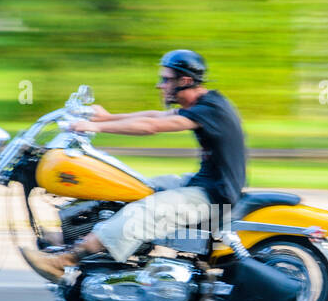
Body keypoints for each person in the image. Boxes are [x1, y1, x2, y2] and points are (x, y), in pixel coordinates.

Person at [20, 49, 247, 282]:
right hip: (202, 183)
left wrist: (97, 127)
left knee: (141, 212)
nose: (161, 85)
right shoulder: (205, 103)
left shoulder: (211, 109)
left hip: (215, 196)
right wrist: (106, 118)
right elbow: (155, 116)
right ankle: (68, 239)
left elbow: (151, 126)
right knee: (130, 188)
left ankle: (65, 262)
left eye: (166, 79)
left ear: (185, 81)